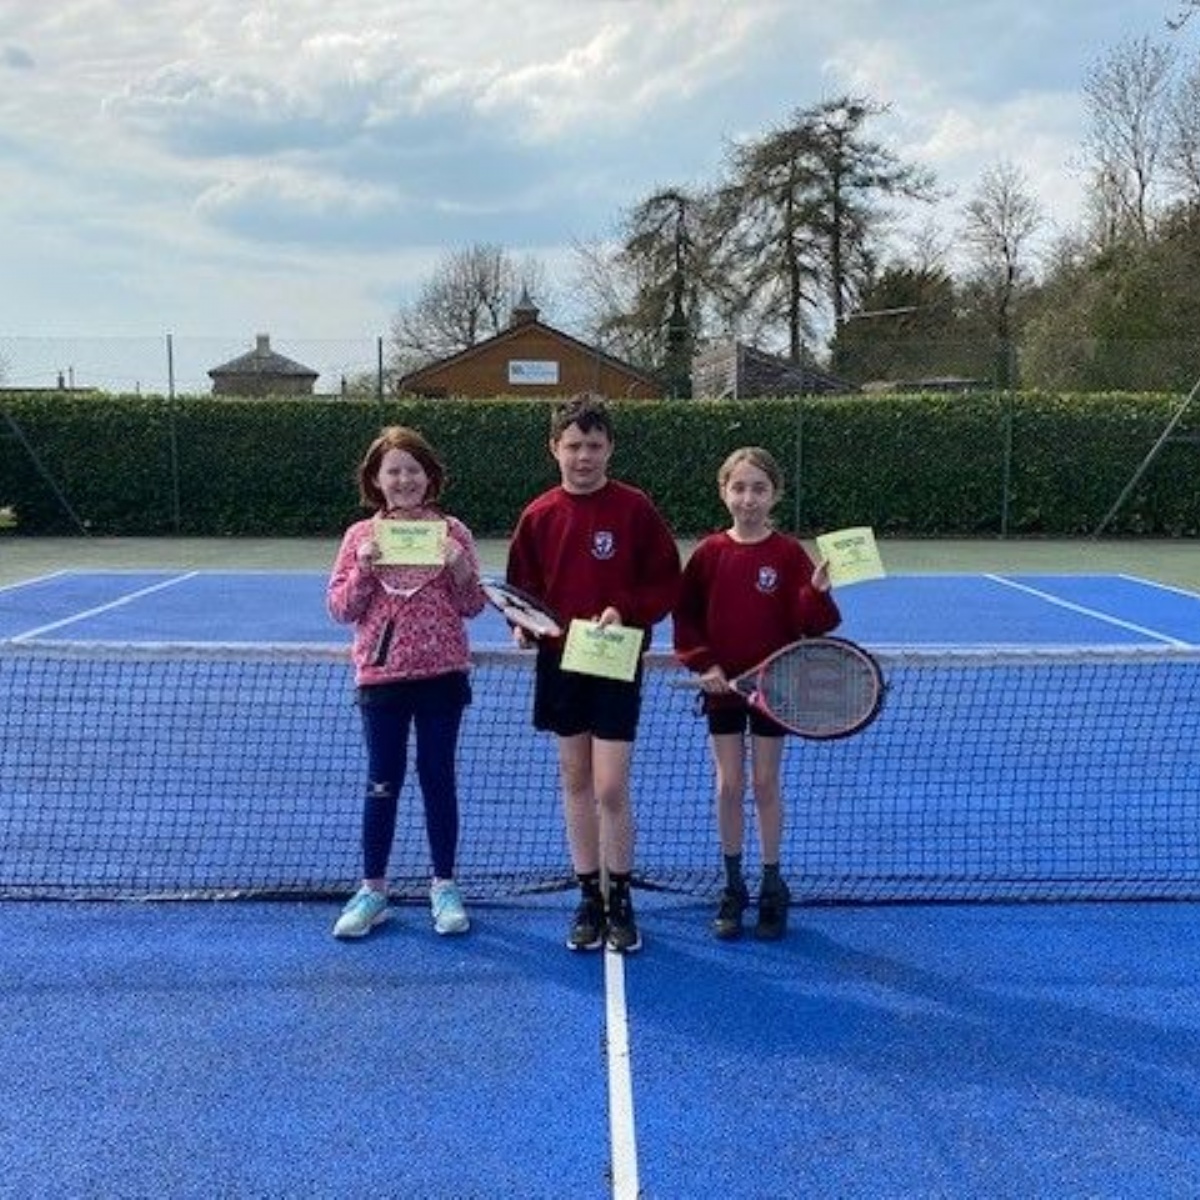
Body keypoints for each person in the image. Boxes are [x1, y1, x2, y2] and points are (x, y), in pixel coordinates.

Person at [506, 393, 680, 954]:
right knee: (575, 780)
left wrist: (623, 611)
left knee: (610, 785)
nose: (585, 456)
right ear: (554, 448)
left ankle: (621, 896)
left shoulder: (635, 509)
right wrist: (524, 625)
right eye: (574, 445)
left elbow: (665, 584)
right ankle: (588, 895)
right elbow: (521, 594)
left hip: (615, 659)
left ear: (611, 448)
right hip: (561, 663)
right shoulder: (537, 516)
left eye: (595, 445)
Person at [673, 446, 840, 941]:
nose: (748, 499)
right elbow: (686, 618)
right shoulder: (707, 554)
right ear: (724, 491)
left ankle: (772, 883)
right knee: (729, 785)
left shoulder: (789, 554)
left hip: (773, 690)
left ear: (775, 495)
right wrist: (705, 663)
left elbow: (815, 625)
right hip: (723, 691)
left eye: (759, 489)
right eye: (739, 487)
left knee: (765, 784)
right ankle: (733, 887)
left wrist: (818, 591)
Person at [327, 425, 485, 939]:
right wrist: (364, 572)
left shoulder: (454, 532)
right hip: (382, 679)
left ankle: (444, 886)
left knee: (439, 780)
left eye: (412, 470)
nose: (403, 479)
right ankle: (373, 889)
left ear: (429, 476)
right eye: (392, 471)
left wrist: (461, 570)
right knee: (382, 782)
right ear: (376, 479)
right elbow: (340, 608)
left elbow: (473, 605)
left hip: (442, 677)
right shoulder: (359, 538)